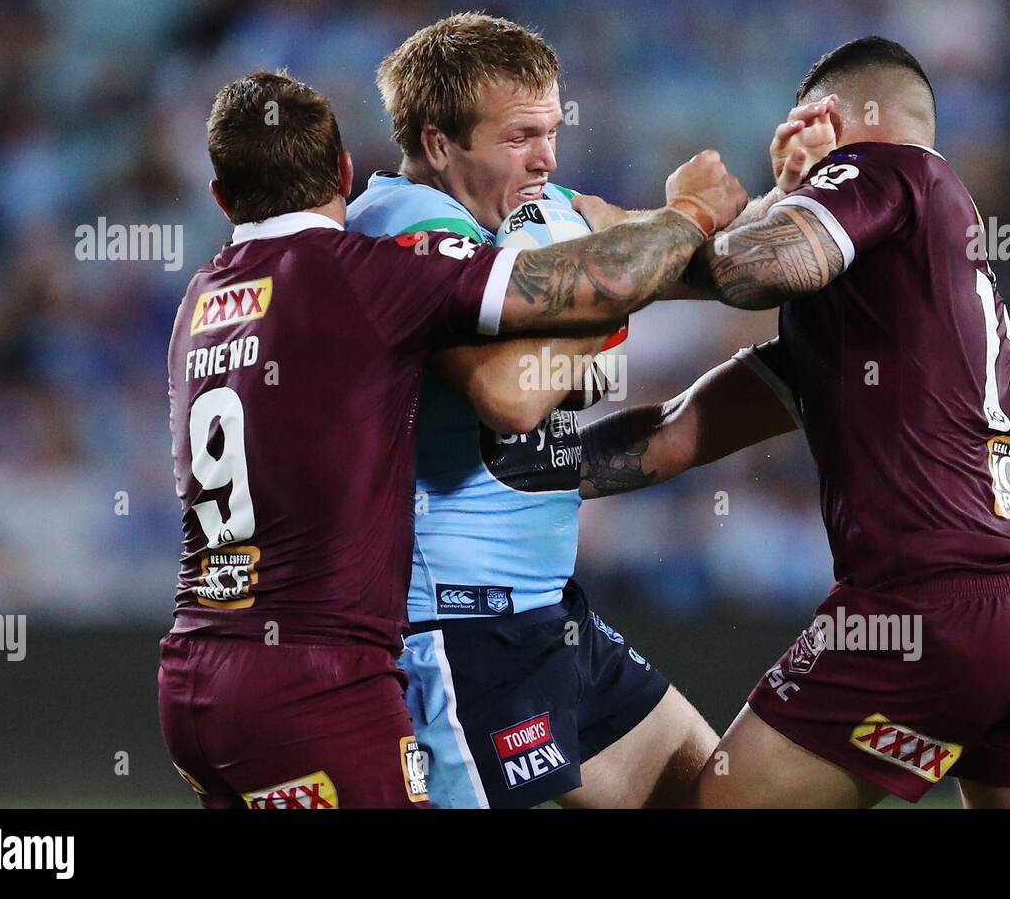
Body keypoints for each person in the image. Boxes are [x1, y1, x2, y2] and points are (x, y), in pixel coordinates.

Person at [158, 68, 746, 808]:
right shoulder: (367, 272)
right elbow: (568, 310)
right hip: (321, 674)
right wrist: (687, 210)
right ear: (344, 171)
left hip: (195, 667)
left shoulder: (200, 302)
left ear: (221, 197)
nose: (543, 156)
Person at [579, 36, 1010, 809]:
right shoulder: (886, 317)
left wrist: (683, 219)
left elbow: (751, 268)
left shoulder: (890, 166)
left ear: (823, 117)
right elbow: (670, 437)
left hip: (926, 611)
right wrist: (516, 466)